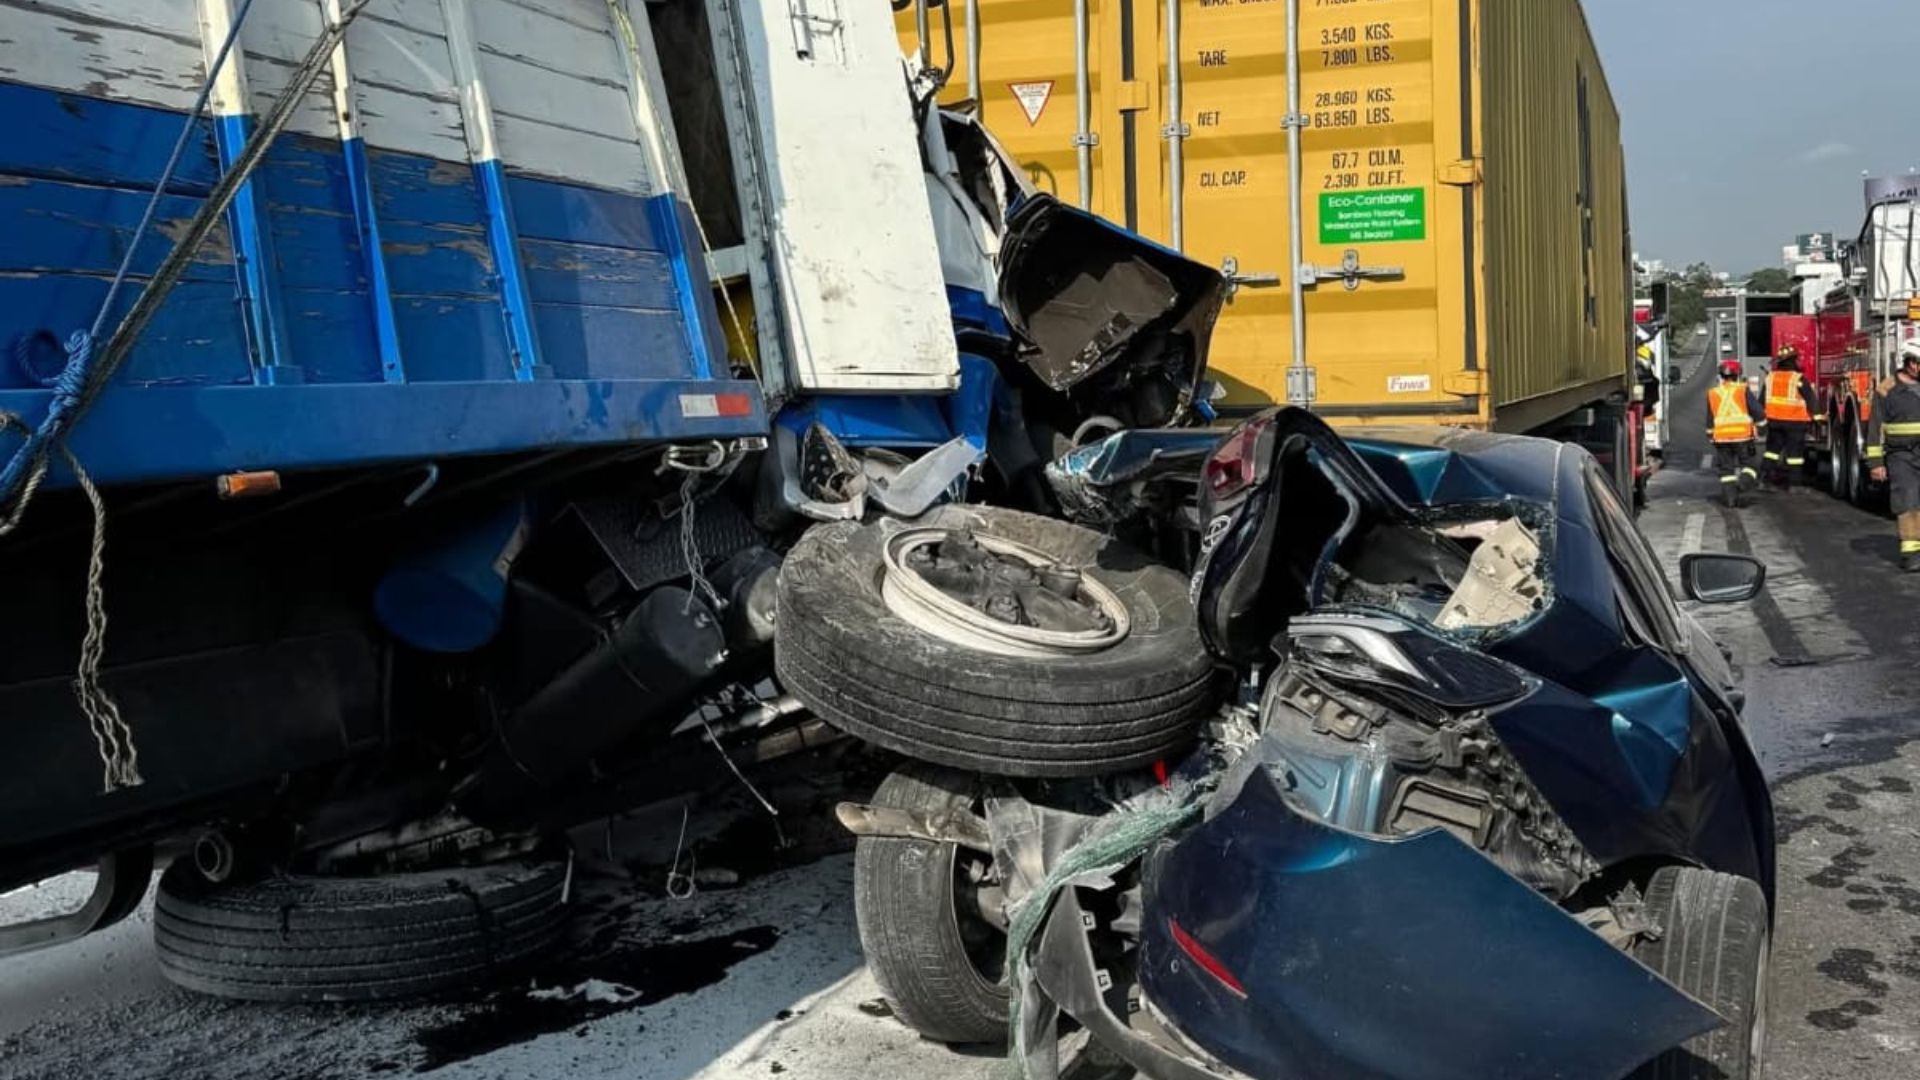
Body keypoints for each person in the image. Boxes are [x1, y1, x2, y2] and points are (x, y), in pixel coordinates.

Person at [1867, 339, 1920, 572]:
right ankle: (1911, 553)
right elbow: (1875, 427)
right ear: (1910, 363)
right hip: (1901, 455)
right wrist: (1876, 463)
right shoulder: (1886, 389)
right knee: (1907, 499)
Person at [1762, 345, 1819, 491]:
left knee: (1771, 452)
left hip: (1774, 422)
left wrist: (1761, 421)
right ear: (1793, 360)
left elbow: (1761, 401)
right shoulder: (1798, 379)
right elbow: (1810, 399)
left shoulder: (1770, 378)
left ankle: (1766, 481)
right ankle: (1795, 485)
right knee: (1795, 455)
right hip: (1795, 423)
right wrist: (1818, 417)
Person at [1706, 359, 1763, 507]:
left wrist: (1710, 434)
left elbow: (1710, 417)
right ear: (1738, 374)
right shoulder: (1742, 390)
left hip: (1721, 438)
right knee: (1751, 466)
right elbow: (1757, 411)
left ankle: (1730, 499)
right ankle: (1742, 485)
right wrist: (1762, 425)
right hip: (1742, 436)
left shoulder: (1713, 393)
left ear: (1721, 375)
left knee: (1726, 470)